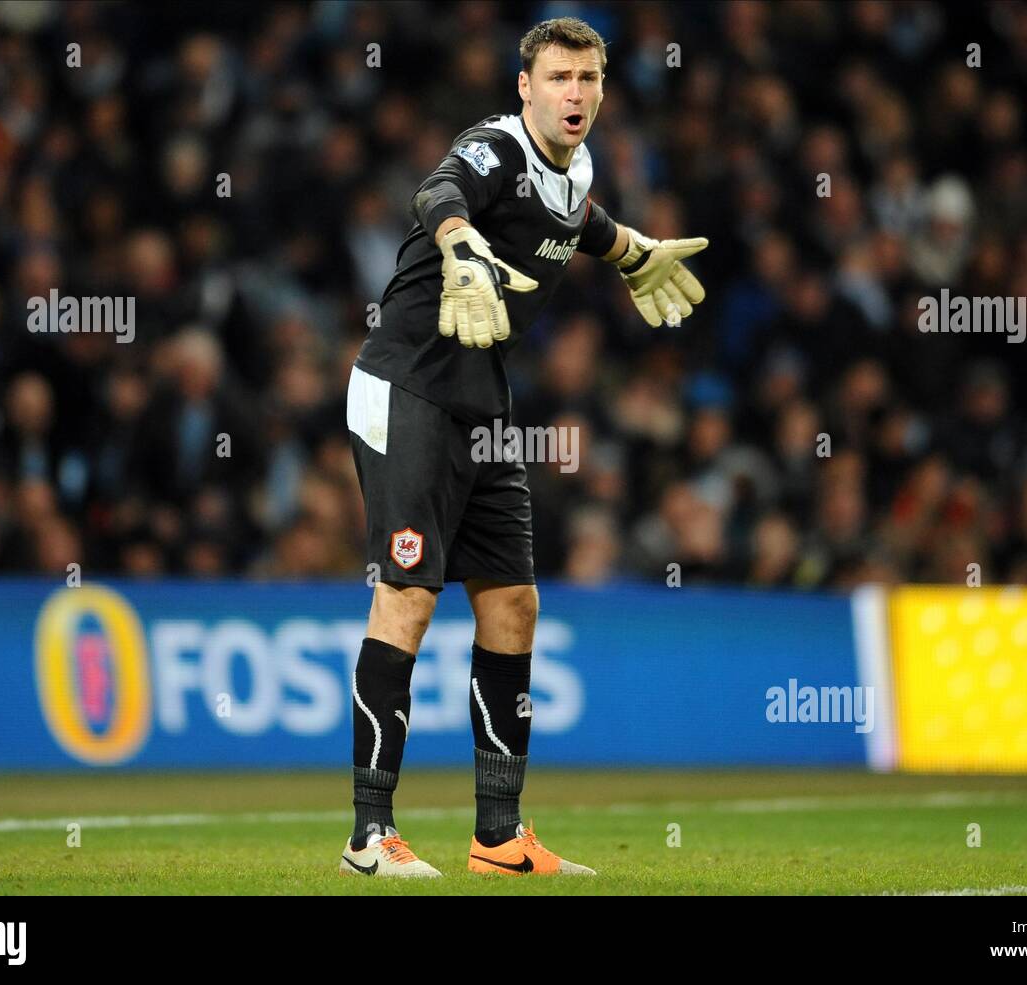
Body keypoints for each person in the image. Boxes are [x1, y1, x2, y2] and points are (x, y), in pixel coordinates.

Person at [342, 16, 708, 877]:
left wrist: (631, 252)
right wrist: (459, 241)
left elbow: (578, 220)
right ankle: (369, 834)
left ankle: (498, 837)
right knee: (408, 597)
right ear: (525, 87)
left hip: (481, 405)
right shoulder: (495, 149)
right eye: (557, 78)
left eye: (587, 80)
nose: (573, 94)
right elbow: (437, 190)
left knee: (513, 606)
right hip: (408, 391)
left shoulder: (574, 172)